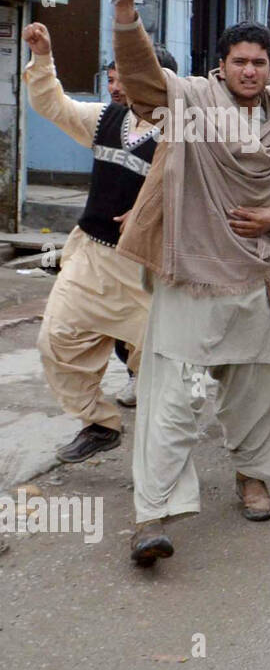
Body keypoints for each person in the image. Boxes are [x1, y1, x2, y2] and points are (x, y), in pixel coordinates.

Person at [94, 0, 270, 567]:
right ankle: (151, 515)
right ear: (220, 66)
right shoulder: (192, 105)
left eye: (260, 61)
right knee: (172, 405)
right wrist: (127, 15)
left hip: (250, 282)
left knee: (257, 395)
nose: (250, 70)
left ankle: (253, 477)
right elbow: (139, 82)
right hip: (190, 282)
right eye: (239, 60)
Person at [22, 23, 174, 463]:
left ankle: (162, 452)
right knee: (57, 340)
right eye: (116, 76)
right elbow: (54, 105)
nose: (119, 85)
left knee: (163, 366)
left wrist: (153, 214)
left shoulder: (181, 138)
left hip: (147, 267)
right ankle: (99, 423)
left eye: (128, 76)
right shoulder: (105, 119)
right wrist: (45, 57)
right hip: (91, 254)